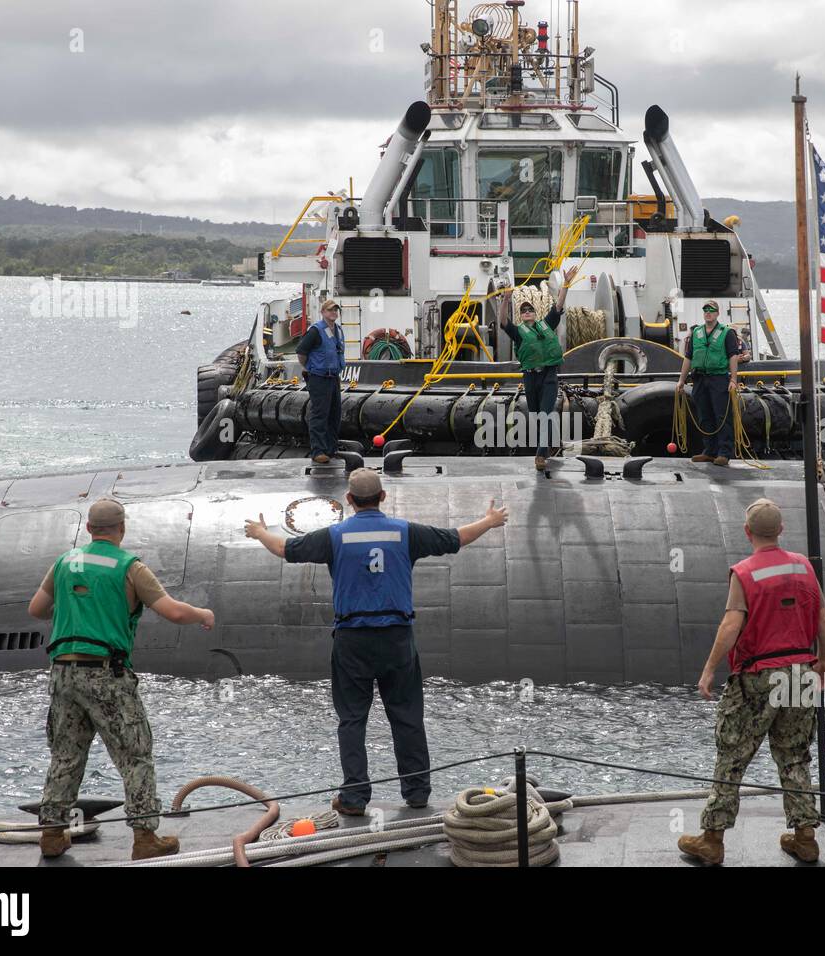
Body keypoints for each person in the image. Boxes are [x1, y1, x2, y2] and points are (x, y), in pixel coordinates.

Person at [244, 469, 507, 814]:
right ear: (382, 497)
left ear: (349, 501)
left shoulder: (335, 535)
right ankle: (416, 792)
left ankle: (353, 797)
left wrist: (261, 531)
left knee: (352, 720)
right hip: (397, 638)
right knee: (407, 716)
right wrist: (488, 521)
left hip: (352, 639)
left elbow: (285, 548)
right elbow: (454, 538)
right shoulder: (405, 532)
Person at [27, 499, 215, 860]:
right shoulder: (130, 567)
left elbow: (36, 609)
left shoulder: (64, 562)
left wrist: (76, 603)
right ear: (122, 529)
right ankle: (145, 837)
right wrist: (203, 613)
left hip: (63, 674)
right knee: (135, 756)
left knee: (66, 755)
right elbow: (173, 612)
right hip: (106, 674)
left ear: (88, 529)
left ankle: (52, 833)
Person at [677, 499, 825, 867]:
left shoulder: (744, 572)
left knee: (732, 756)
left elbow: (731, 625)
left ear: (747, 532)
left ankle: (712, 840)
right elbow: (824, 618)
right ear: (781, 530)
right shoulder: (804, 566)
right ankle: (805, 838)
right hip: (800, 672)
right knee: (795, 755)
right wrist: (824, 660)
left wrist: (708, 669)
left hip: (757, 676)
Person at [496, 265, 577, 470]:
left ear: (535, 313)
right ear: (521, 316)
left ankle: (540, 455)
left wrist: (565, 284)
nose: (526, 312)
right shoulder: (518, 333)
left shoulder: (546, 324)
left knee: (546, 413)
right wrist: (506, 298)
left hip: (549, 376)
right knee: (537, 415)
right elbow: (503, 321)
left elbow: (558, 306)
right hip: (530, 378)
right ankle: (548, 445)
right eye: (523, 311)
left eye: (529, 309)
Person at [676, 301, 749, 466]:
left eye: (711, 310)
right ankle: (709, 451)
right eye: (705, 310)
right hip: (700, 379)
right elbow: (689, 357)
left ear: (717, 313)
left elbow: (733, 357)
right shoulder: (696, 333)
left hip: (718, 379)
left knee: (722, 415)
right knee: (704, 416)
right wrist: (681, 380)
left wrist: (733, 380)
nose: (708, 313)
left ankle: (724, 452)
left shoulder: (727, 333)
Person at [297, 298, 346, 464]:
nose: (334, 312)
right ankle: (318, 451)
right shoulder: (315, 331)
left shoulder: (337, 330)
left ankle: (331, 449)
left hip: (333, 378)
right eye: (330, 310)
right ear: (323, 312)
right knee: (319, 414)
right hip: (319, 378)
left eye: (335, 310)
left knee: (334, 414)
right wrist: (311, 367)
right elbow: (302, 352)